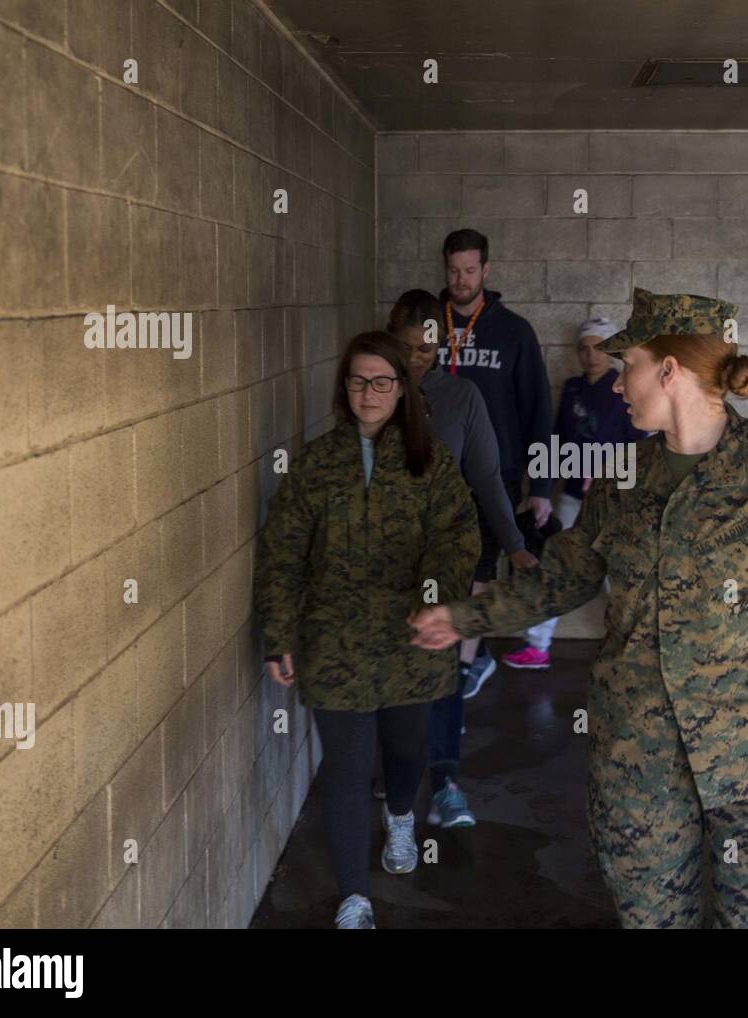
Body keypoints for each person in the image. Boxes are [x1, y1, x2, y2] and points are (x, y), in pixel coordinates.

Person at [411, 288, 748, 929]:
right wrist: (461, 617)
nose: (615, 386)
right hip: (640, 766)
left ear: (668, 370)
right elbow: (565, 578)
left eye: (627, 364)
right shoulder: (622, 476)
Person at [253, 331, 480, 929]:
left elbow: (457, 536)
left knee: (405, 749)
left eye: (382, 381)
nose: (369, 393)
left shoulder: (429, 460)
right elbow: (282, 551)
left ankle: (402, 815)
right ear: (344, 387)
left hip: (410, 640)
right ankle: (355, 895)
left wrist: (435, 599)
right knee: (348, 768)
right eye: (358, 381)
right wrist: (278, 634)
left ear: (401, 389)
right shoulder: (317, 463)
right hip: (333, 642)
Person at [387, 289, 539, 828]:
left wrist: (517, 547)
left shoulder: (463, 398)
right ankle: (395, 790)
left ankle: (446, 781)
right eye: (405, 348)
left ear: (444, 342)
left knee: (441, 668)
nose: (415, 359)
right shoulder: (376, 391)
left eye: (427, 348)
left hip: (443, 560)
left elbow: (487, 479)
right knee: (390, 668)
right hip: (383, 562)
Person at [438, 229, 555, 698]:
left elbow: (538, 411)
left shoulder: (514, 331)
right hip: (435, 477)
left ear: (486, 270)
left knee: (480, 571)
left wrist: (542, 485)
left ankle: (467, 664)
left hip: (497, 474)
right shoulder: (430, 322)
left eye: (469, 271)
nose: (461, 280)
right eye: (453, 271)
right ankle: (468, 653)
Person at [502, 316, 648, 670]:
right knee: (557, 569)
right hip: (570, 498)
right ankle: (537, 646)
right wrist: (539, 491)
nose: (591, 355)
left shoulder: (623, 388)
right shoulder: (571, 389)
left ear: (611, 350)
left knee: (620, 577)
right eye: (584, 348)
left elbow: (641, 447)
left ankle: (633, 653)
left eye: (598, 347)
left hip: (615, 501)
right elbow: (555, 441)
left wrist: (607, 474)